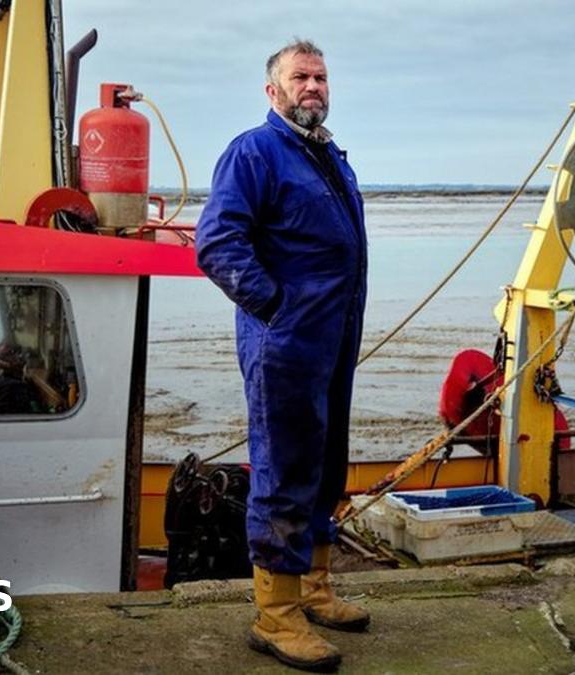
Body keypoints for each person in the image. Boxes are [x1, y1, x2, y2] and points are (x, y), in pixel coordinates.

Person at [195, 39, 369, 672]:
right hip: (285, 343)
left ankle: (315, 587)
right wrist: (275, 307)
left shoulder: (326, 155)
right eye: (300, 77)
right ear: (273, 91)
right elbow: (217, 243)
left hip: (333, 339)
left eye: (320, 77)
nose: (313, 86)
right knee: (284, 468)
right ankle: (276, 615)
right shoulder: (255, 152)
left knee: (325, 464)